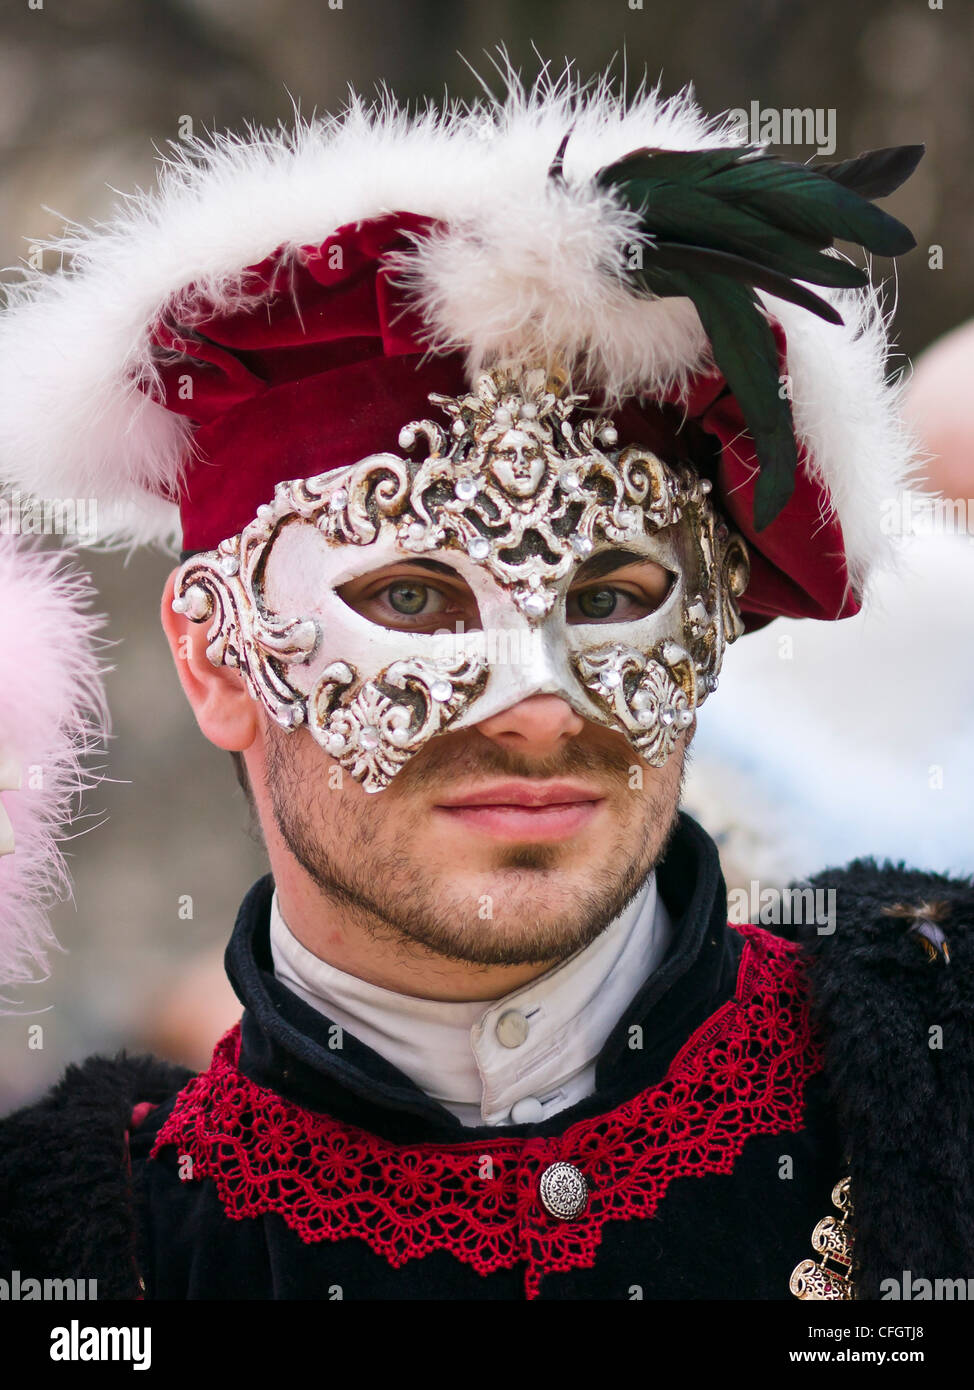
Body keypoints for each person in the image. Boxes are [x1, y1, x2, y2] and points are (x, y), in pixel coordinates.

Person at [1, 68, 971, 1303]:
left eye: (611, 599)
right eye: (411, 598)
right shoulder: (74, 1262)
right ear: (215, 654)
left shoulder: (934, 1063)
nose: (535, 701)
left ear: (711, 626)